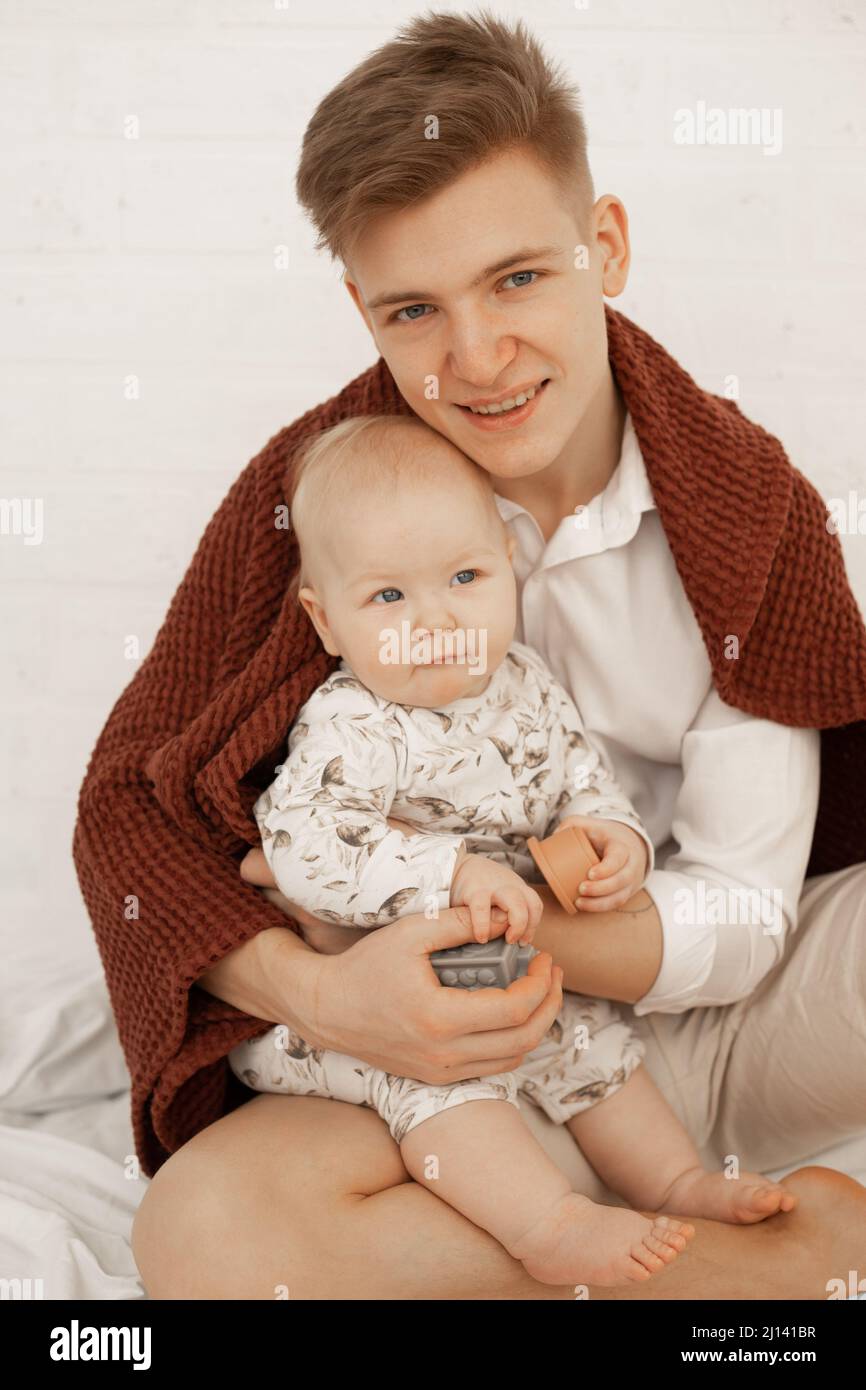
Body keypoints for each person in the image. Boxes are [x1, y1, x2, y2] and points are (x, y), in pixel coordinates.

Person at [73, 11, 866, 1298]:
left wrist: (496, 918)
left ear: (600, 247)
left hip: (729, 1017)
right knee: (204, 1235)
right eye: (413, 309)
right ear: (359, 309)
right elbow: (123, 807)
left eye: (516, 279)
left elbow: (744, 913)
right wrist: (326, 995)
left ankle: (640, 1221)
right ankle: (778, 1272)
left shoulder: (742, 507)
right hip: (454, 1061)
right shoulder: (310, 504)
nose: (478, 357)